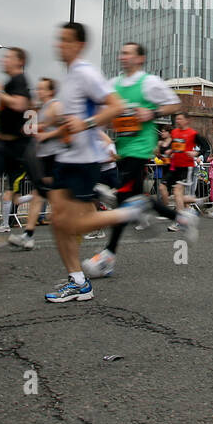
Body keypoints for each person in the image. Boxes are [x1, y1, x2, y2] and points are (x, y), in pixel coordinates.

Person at [41, 22, 152, 304]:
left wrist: (86, 123)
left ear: (78, 45)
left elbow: (114, 106)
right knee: (57, 221)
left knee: (72, 224)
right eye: (58, 40)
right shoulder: (69, 77)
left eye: (65, 40)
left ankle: (130, 211)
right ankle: (78, 281)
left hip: (84, 160)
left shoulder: (87, 74)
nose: (59, 45)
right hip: (65, 158)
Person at [81, 42, 182, 276]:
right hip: (122, 148)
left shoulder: (149, 83)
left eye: (127, 53)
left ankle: (107, 256)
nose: (122, 56)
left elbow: (175, 104)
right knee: (132, 200)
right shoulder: (113, 84)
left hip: (140, 147)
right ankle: (178, 217)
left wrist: (152, 112)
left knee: (124, 199)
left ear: (140, 59)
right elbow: (105, 113)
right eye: (121, 53)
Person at [0, 48, 38, 235]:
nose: (4, 60)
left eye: (8, 57)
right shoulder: (11, 82)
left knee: (43, 186)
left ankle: (92, 195)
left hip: (20, 147)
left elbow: (19, 105)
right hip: (4, 146)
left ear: (20, 62)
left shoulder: (20, 80)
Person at [10, 77, 61, 250]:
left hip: (57, 156)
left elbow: (68, 128)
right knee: (38, 195)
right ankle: (28, 235)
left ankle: (94, 207)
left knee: (59, 197)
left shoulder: (56, 106)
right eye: (38, 88)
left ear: (51, 91)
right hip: (43, 157)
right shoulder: (41, 109)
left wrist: (47, 135)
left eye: (42, 89)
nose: (39, 92)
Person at [165, 113, 202, 229]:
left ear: (187, 121)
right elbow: (175, 146)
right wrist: (170, 151)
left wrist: (196, 153)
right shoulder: (174, 132)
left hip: (187, 167)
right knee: (178, 195)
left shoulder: (193, 134)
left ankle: (180, 220)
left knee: (177, 192)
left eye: (180, 119)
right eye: (177, 119)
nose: (178, 121)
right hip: (176, 166)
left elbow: (204, 147)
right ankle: (195, 203)